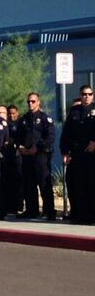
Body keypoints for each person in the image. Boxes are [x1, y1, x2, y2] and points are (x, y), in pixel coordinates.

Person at [17, 93, 56, 220]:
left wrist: (38, 147)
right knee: (29, 184)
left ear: (38, 102)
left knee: (44, 183)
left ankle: (49, 211)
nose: (30, 104)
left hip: (40, 155)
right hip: (26, 156)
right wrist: (20, 146)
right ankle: (31, 210)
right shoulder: (23, 119)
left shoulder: (45, 118)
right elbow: (18, 136)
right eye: (28, 101)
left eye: (33, 101)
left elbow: (50, 138)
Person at [60, 85, 95, 223]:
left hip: (92, 154)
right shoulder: (74, 111)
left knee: (92, 186)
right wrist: (65, 151)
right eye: (84, 94)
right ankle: (81, 216)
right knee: (79, 186)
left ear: (92, 95)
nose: (86, 96)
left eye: (89, 94)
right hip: (77, 154)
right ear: (80, 95)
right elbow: (66, 133)